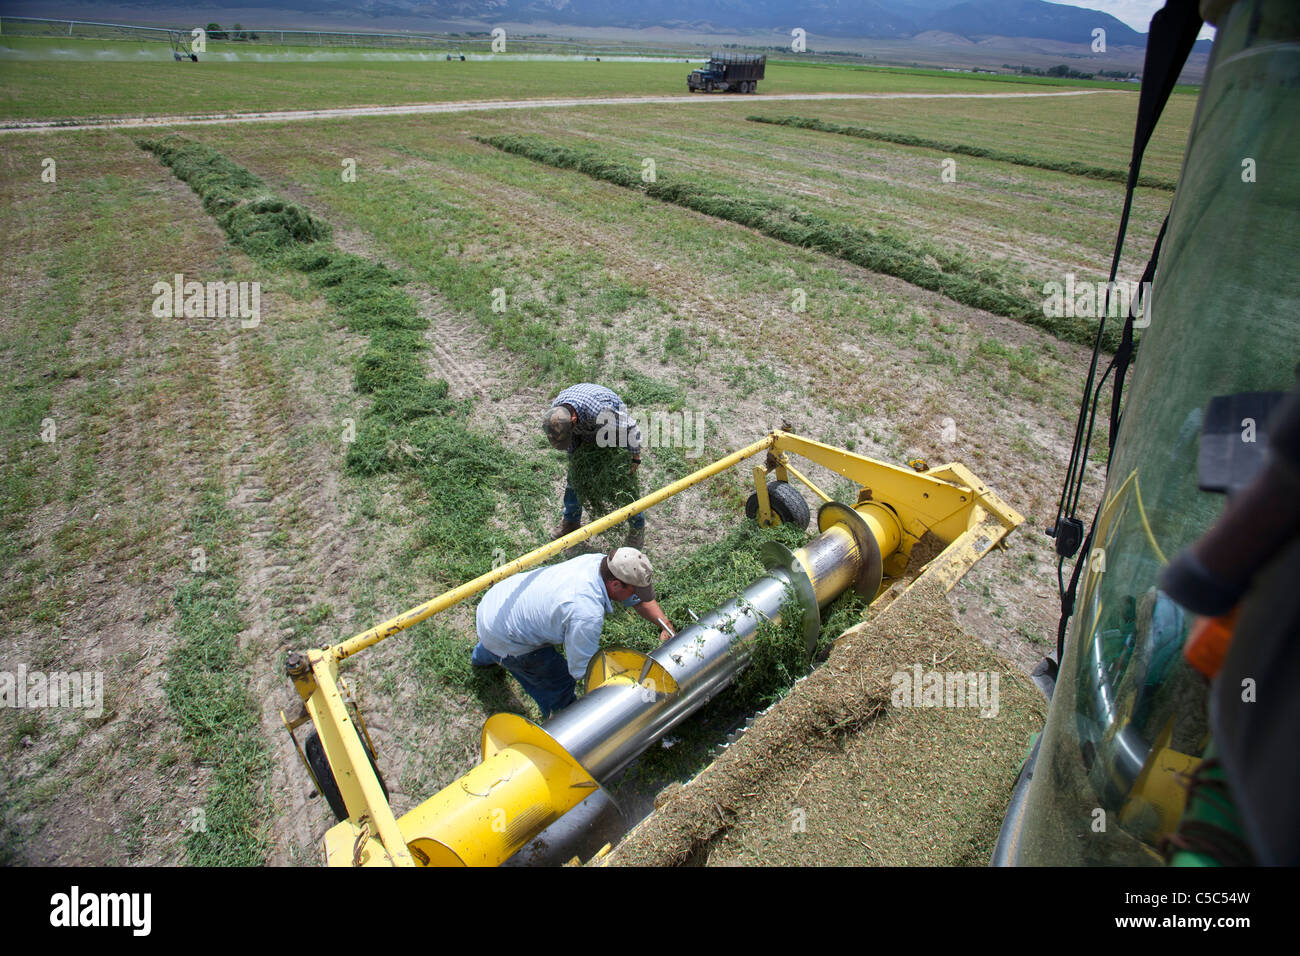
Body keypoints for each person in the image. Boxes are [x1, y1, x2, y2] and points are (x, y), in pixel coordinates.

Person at [471, 548, 674, 719]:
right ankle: (562, 725)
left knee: (495, 643)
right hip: (505, 636)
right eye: (635, 591)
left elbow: (637, 600)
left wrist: (664, 624)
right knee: (557, 682)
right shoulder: (585, 613)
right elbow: (583, 670)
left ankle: (482, 658)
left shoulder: (599, 562)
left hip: (497, 605)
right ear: (615, 585)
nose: (637, 596)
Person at [544, 383, 646, 549]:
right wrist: (575, 460)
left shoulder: (601, 412)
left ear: (574, 421)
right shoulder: (556, 413)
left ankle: (637, 528)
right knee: (574, 480)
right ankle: (571, 523)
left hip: (611, 429)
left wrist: (635, 457)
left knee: (623, 484)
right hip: (586, 428)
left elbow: (630, 428)